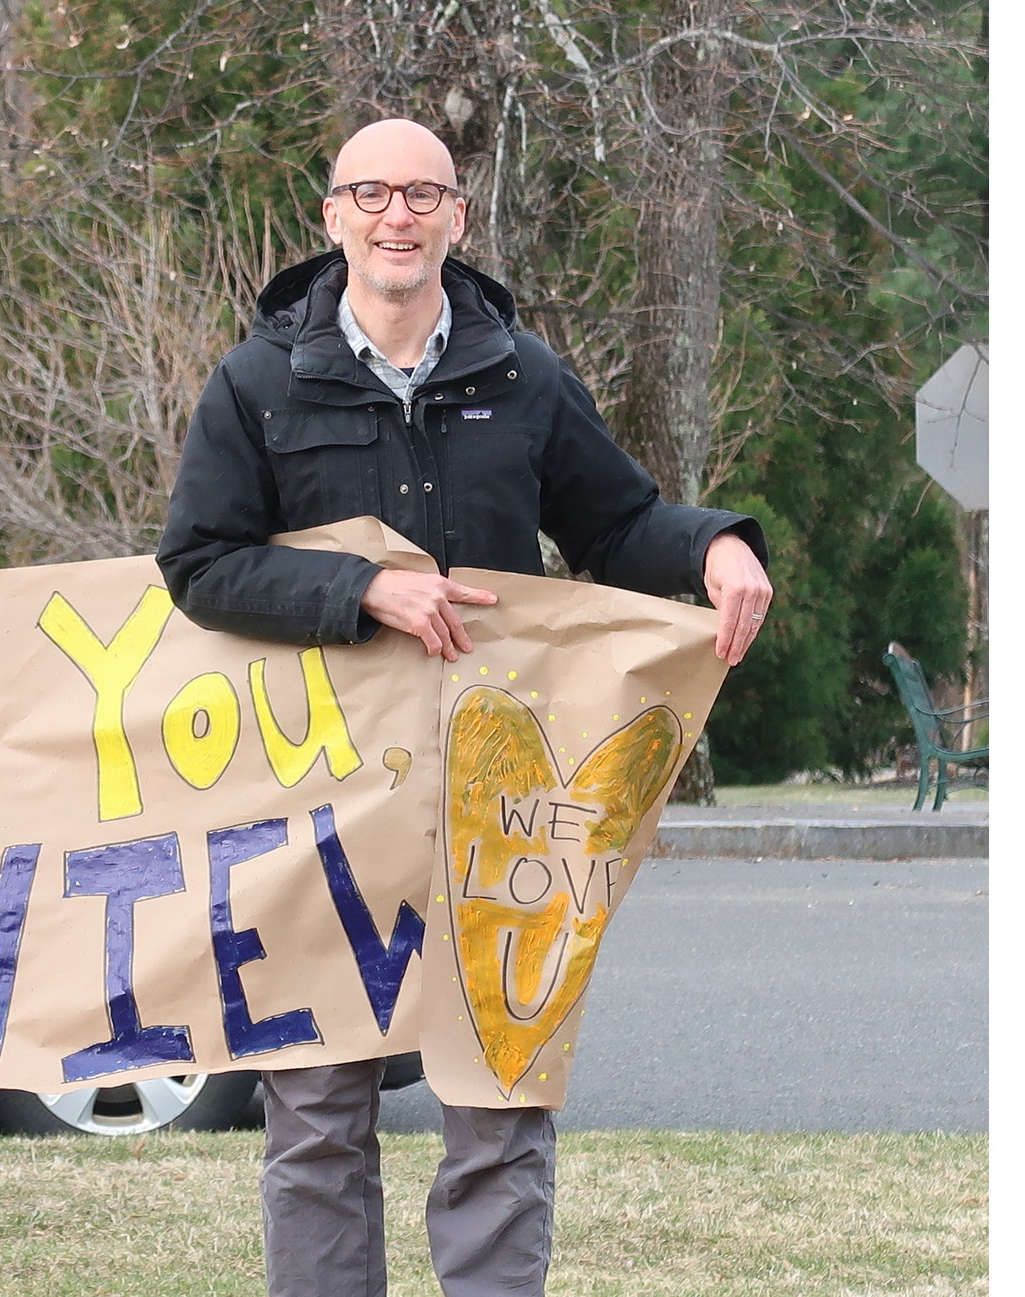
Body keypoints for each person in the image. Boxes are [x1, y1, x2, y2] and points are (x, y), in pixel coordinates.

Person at [155, 118, 775, 1297]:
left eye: (424, 195)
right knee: (321, 1112)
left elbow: (618, 526)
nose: (400, 216)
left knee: (500, 1109)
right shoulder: (259, 382)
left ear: (458, 219)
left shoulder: (522, 376)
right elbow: (200, 564)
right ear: (332, 217)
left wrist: (718, 548)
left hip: (501, 798)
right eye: (373, 194)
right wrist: (361, 587)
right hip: (319, 804)